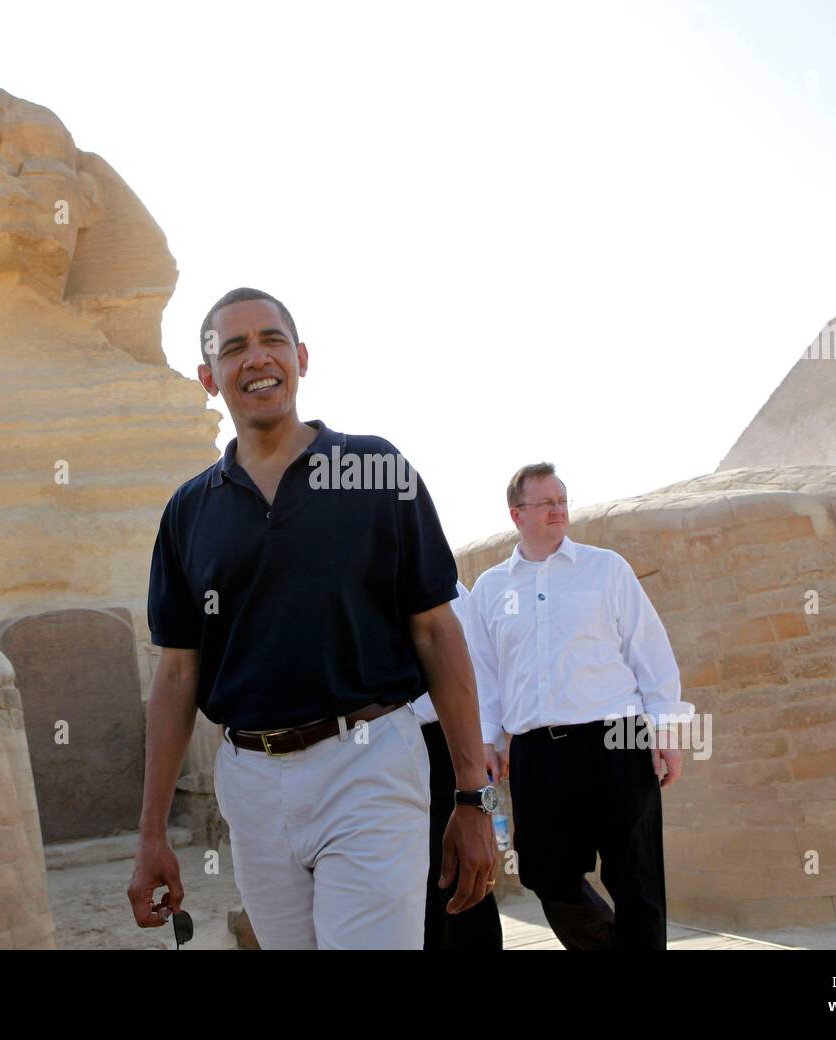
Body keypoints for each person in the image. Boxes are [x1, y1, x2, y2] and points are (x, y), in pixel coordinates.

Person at [127, 287, 497, 949]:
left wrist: (473, 798)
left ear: (299, 357)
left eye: (271, 340)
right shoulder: (189, 514)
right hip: (250, 780)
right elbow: (178, 676)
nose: (257, 358)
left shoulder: (376, 470)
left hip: (369, 763)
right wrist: (152, 833)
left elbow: (438, 631)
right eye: (233, 348)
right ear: (210, 378)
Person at [464, 463, 693, 950]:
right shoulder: (489, 589)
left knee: (637, 877)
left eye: (562, 500)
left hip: (618, 737)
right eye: (545, 502)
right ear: (516, 514)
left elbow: (649, 652)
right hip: (536, 749)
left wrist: (667, 733)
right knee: (546, 875)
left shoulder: (606, 568)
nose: (558, 509)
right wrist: (488, 737)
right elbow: (484, 675)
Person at [412, 580, 505, 950]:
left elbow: (477, 663)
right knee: (405, 889)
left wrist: (485, 740)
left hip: (442, 740)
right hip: (373, 745)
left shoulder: (438, 578)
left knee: (461, 873)